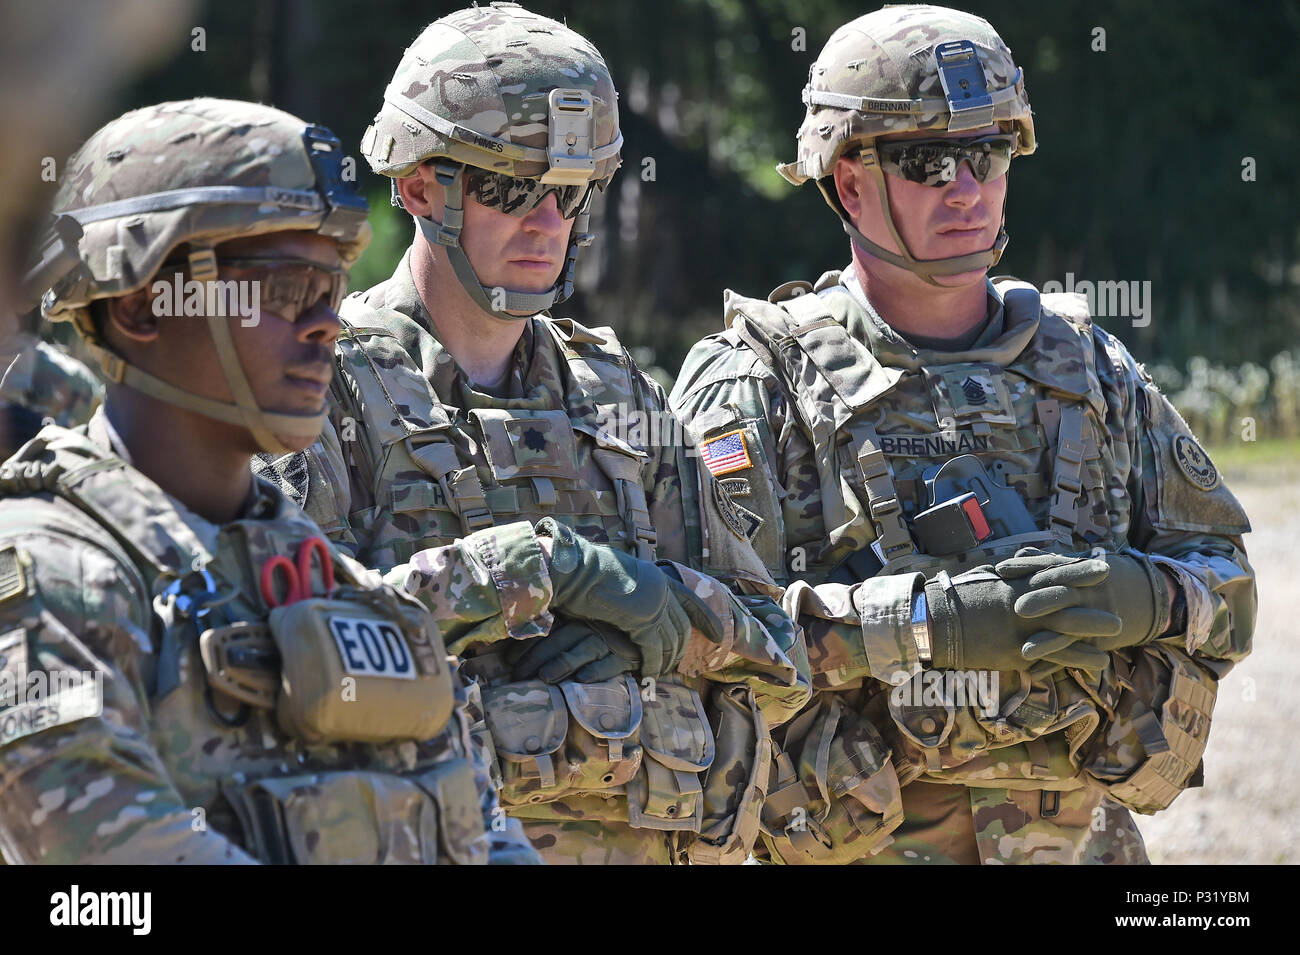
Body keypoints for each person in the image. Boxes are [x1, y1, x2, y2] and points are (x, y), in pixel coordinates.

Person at [670, 4, 1256, 864]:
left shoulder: (1089, 367)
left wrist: (1144, 596)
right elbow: (694, 640)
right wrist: (920, 627)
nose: (967, 187)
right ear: (847, 179)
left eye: (987, 153)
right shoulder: (758, 383)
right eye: (927, 159)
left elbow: (1232, 595)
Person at [289, 2, 810, 864]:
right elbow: (298, 655)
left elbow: (778, 653)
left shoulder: (619, 394)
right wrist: (535, 574)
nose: (545, 222)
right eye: (506, 187)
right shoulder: (323, 391)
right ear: (419, 186)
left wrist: (650, 608)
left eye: (569, 194)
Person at [0, 97, 540, 864]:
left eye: (331, 289)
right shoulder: (47, 580)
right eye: (286, 290)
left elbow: (486, 834)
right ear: (141, 305)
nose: (326, 323)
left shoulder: (337, 585)